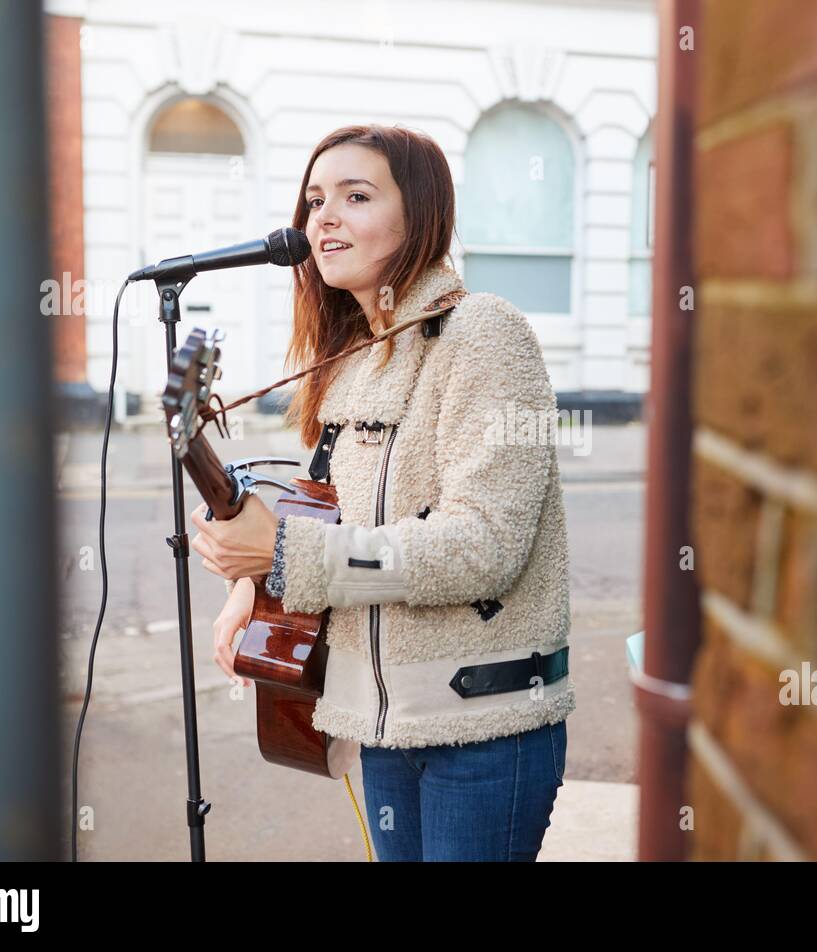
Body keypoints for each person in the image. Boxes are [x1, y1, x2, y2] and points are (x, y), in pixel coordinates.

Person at [188, 124, 574, 862]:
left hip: (483, 725)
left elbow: (484, 546)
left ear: (419, 213)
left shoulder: (484, 333)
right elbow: (324, 515)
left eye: (355, 196)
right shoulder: (354, 357)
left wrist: (283, 551)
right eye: (313, 200)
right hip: (381, 724)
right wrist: (264, 584)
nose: (322, 218)